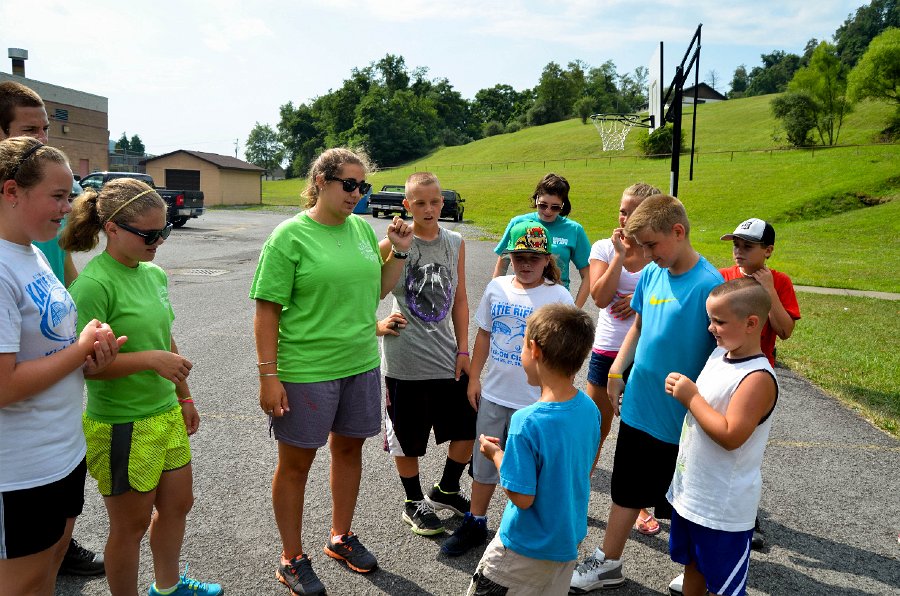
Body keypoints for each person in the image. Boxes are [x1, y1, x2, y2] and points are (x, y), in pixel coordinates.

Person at [250, 147, 412, 596]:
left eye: (364, 187)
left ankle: (340, 537)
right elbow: (266, 310)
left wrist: (397, 253)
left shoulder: (361, 228)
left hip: (359, 363)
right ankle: (291, 558)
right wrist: (269, 375)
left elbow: (376, 291)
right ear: (321, 181)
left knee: (349, 451)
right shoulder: (290, 236)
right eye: (349, 185)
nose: (357, 194)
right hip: (306, 369)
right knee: (296, 464)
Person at [62, 178, 222, 596]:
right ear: (112, 228)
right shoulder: (94, 286)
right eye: (150, 234)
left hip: (164, 414)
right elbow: (84, 368)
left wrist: (184, 395)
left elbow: (163, 338)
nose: (160, 241)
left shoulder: (152, 274)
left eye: (164, 230)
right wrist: (151, 361)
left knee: (176, 507)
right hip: (122, 425)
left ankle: (167, 587)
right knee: (129, 527)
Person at [570, 194, 724, 593]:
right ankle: (608, 563)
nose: (646, 254)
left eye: (651, 245)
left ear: (678, 231)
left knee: (686, 502)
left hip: (683, 418)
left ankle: (696, 572)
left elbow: (724, 356)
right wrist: (618, 370)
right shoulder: (654, 274)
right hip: (640, 405)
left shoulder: (709, 285)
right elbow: (638, 327)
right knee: (625, 486)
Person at [0, 137, 123, 596]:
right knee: (22, 584)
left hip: (61, 453)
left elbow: (47, 351)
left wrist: (87, 356)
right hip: (18, 469)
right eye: (57, 196)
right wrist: (79, 349)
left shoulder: (32, 253)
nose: (69, 207)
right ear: (12, 191)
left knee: (48, 571)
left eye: (69, 194)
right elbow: (4, 386)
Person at [441, 221, 574, 557]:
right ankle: (476, 520)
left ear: (547, 260)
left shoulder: (558, 297)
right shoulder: (496, 288)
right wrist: (474, 377)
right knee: (485, 463)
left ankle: (532, 530)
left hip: (536, 402)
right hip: (496, 396)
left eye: (533, 257)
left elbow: (565, 351)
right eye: (518, 257)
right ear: (509, 258)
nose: (525, 264)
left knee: (531, 468)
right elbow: (485, 334)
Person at [468, 303, 601, 596]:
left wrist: (496, 455)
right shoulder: (589, 409)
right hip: (566, 542)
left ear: (534, 349)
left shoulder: (525, 422)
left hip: (522, 549)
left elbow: (522, 496)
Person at [664, 278, 779, 596]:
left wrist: (691, 398)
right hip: (693, 495)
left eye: (719, 321)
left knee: (724, 587)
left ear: (751, 323)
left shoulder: (756, 377)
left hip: (722, 509)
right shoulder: (720, 355)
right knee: (693, 567)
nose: (711, 328)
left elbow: (731, 435)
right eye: (710, 320)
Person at [378, 172, 474, 537]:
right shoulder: (392, 242)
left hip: (448, 355)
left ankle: (447, 489)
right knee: (407, 436)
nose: (429, 209)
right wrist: (377, 325)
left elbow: (460, 299)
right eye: (419, 203)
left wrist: (463, 348)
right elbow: (366, 293)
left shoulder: (455, 242)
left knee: (469, 425)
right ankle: (413, 501)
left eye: (434, 201)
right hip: (405, 360)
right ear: (407, 205)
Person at [718, 217, 800, 552]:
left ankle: (746, 519)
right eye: (736, 244)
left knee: (744, 452)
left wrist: (767, 291)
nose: (739, 251)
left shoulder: (779, 282)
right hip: (720, 371)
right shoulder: (722, 277)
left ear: (768, 251)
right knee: (712, 443)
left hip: (755, 376)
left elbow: (785, 329)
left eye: (747, 246)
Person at [586, 182, 661, 536]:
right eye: (622, 209)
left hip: (643, 354)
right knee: (594, 430)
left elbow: (662, 302)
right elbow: (599, 297)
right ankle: (578, 494)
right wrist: (618, 255)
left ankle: (640, 505)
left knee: (638, 435)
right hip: (605, 351)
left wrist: (633, 302)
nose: (624, 216)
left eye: (633, 211)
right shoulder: (603, 246)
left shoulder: (657, 253)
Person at [492, 173, 591, 307]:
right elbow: (502, 264)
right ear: (536, 199)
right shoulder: (518, 223)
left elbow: (588, 274)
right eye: (543, 205)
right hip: (519, 300)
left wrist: (574, 310)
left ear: (563, 205)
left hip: (556, 304)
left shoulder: (574, 230)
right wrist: (494, 297)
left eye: (555, 207)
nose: (548, 211)